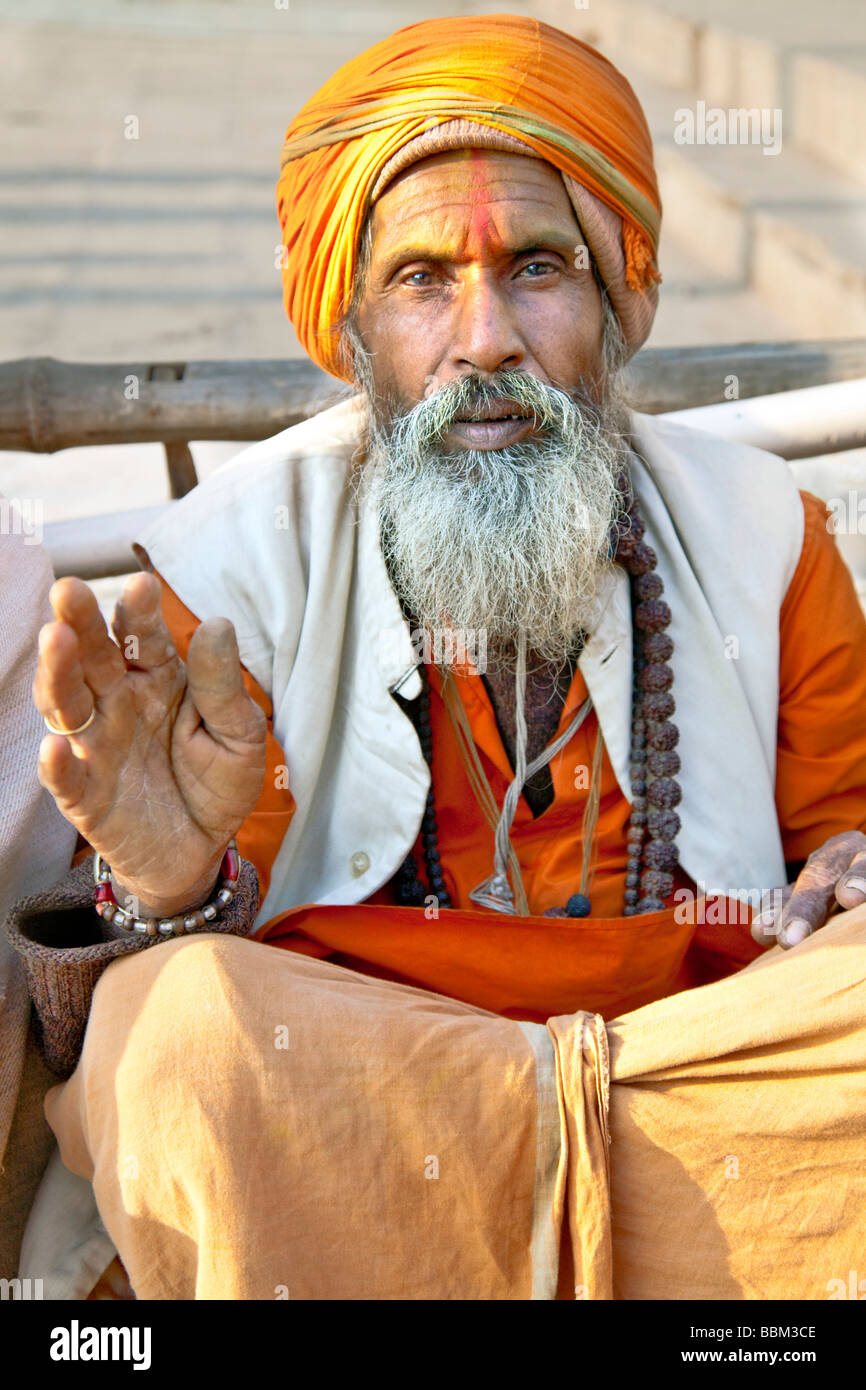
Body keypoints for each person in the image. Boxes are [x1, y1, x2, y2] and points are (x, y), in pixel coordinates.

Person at [9, 14, 866, 1299]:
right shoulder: (226, 581)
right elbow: (107, 1017)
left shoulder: (764, 540)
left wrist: (846, 871)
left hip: (692, 1070)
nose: (483, 342)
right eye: (421, 282)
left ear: (613, 305)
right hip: (356, 1098)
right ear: (353, 331)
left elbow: (835, 857)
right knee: (179, 1035)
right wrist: (171, 884)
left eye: (535, 268)